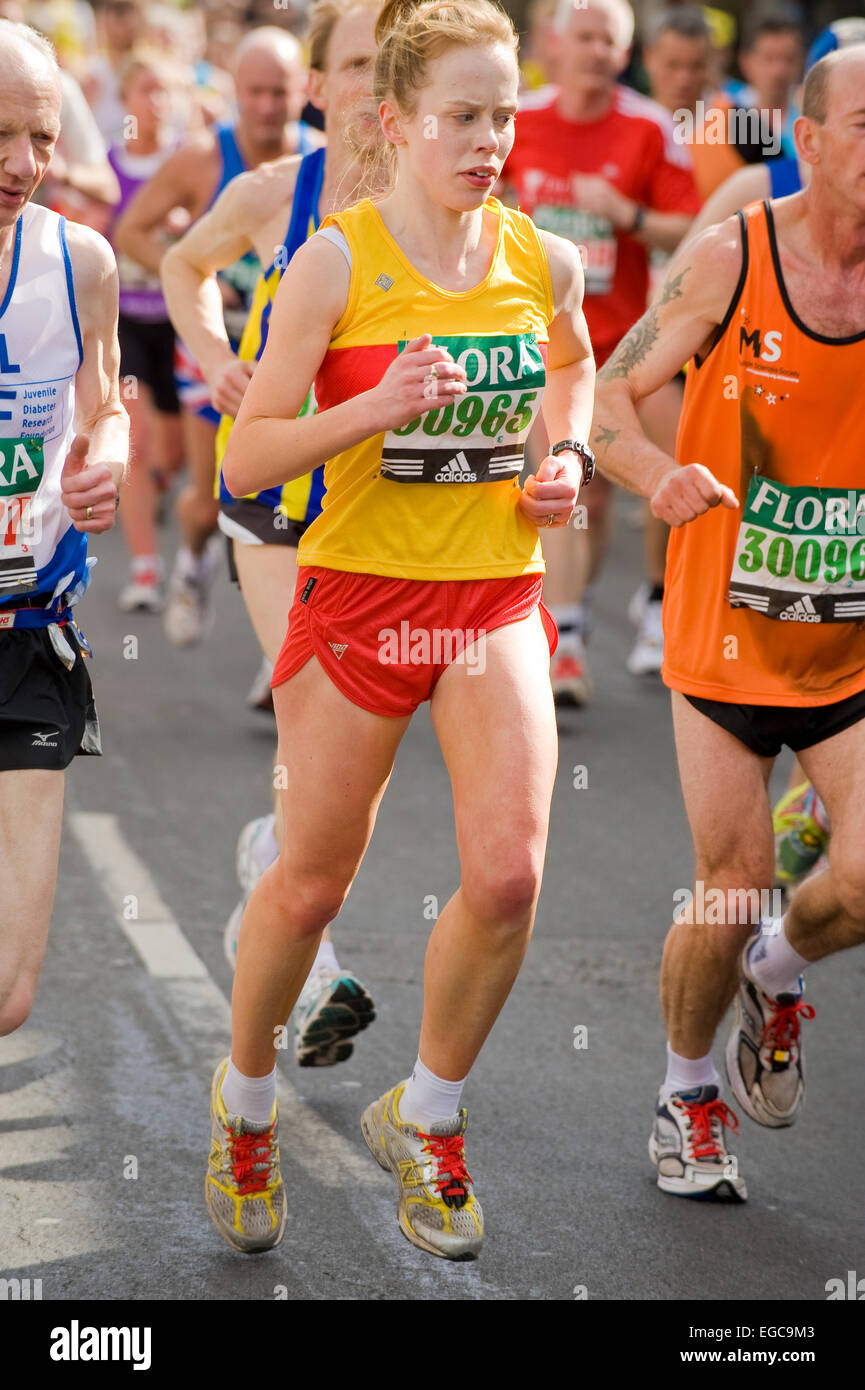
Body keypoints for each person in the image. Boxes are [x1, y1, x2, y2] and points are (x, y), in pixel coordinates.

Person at [205, 0, 595, 1259]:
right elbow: (248, 451)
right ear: (395, 122)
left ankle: (425, 1114)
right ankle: (248, 1103)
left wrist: (567, 457)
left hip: (491, 596)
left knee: (508, 873)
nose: (489, 140)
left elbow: (576, 363)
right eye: (462, 117)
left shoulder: (545, 260)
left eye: (504, 116)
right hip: (362, 595)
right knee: (312, 882)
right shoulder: (335, 262)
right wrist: (368, 405)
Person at [592, 44, 865, 1201]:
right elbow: (605, 401)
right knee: (736, 875)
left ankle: (778, 967)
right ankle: (687, 1089)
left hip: (847, 640)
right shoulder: (728, 259)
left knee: (853, 885)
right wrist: (656, 476)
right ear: (806, 139)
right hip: (725, 636)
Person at [161, 0, 382, 1064]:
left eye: (399, 71)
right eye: (359, 70)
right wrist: (211, 358)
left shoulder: (440, 207)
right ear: (319, 88)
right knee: (317, 720)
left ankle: (267, 864)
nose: (381, 93)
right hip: (276, 511)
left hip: (385, 518)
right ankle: (314, 962)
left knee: (352, 769)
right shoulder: (270, 193)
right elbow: (179, 267)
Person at [504, 0, 700, 701]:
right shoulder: (517, 116)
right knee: (560, 476)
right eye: (581, 36)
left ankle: (576, 616)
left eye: (607, 41)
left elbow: (693, 230)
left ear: (624, 55)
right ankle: (568, 635)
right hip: (539, 340)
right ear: (555, 43)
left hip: (621, 349)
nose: (593, 51)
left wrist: (626, 217)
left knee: (601, 491)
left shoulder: (649, 128)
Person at [0, 21, 126, 1036]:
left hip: (26, 633)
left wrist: (110, 452)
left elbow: (104, 401)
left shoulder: (79, 259)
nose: (22, 164)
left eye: (41, 138)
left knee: (8, 990)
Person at [114, 27, 319, 647]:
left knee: (306, 513)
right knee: (209, 503)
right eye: (253, 92)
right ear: (235, 92)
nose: (265, 106)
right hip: (220, 354)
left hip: (296, 360)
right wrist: (205, 268)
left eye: (279, 92)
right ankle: (194, 563)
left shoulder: (325, 158)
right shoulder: (204, 158)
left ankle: (283, 652)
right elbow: (132, 231)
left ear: (304, 90)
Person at [108, 55, 184, 612]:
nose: (155, 102)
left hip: (179, 322)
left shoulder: (186, 164)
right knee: (133, 438)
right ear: (126, 101)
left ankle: (152, 486)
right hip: (126, 319)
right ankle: (144, 570)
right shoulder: (107, 167)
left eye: (164, 92)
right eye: (145, 90)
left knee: (173, 456)